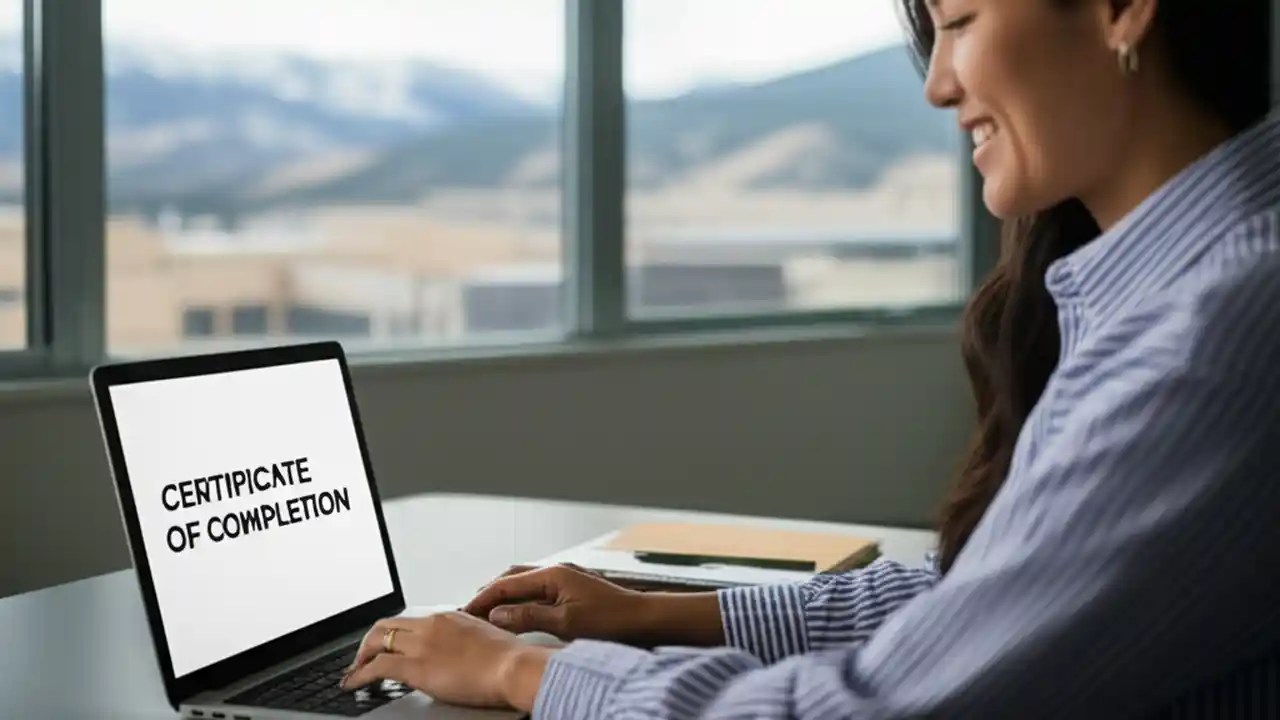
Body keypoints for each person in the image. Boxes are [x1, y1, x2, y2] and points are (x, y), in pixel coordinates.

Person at [340, 0, 1280, 716]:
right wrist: (646, 612)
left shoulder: (1214, 339)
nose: (938, 85)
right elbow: (991, 587)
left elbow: (868, 708)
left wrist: (519, 671)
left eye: (960, 21)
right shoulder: (1179, 294)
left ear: (1122, 10)